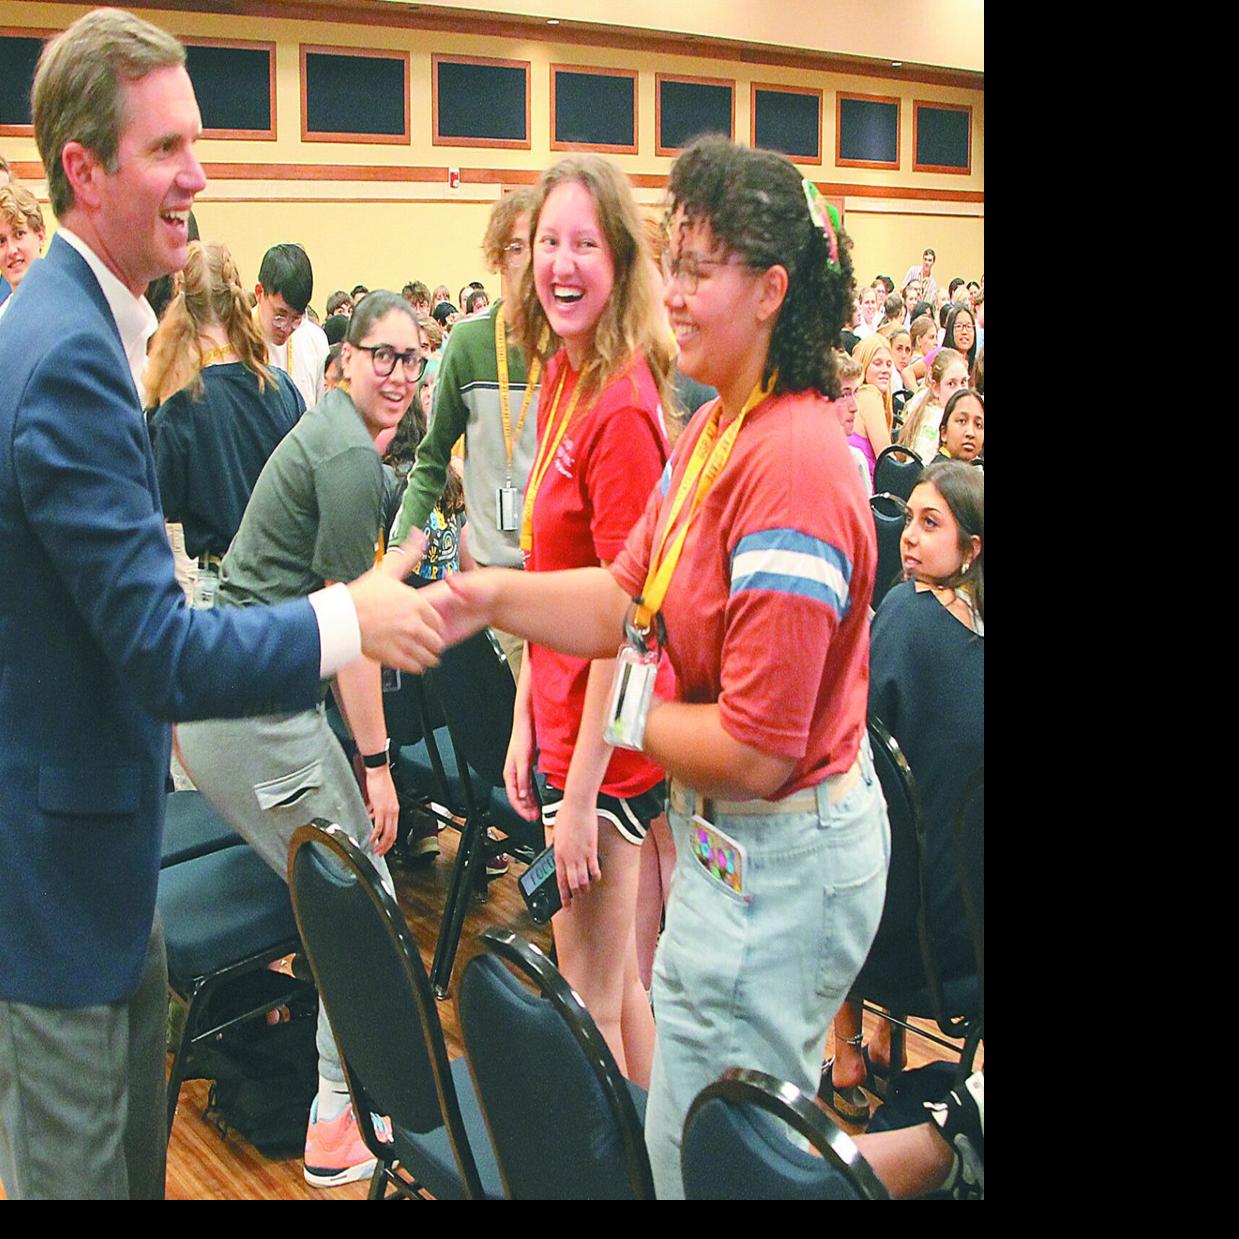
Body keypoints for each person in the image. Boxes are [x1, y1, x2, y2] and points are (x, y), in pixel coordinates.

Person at [0, 10, 445, 1202]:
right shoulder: (67, 358)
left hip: (90, 856)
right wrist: (348, 618)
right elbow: (157, 648)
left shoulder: (79, 333)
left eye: (197, 143)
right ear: (83, 172)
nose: (199, 176)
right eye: (167, 151)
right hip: (57, 886)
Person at [400, 135, 889, 1199]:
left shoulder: (796, 466)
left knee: (717, 1152)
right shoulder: (724, 427)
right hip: (732, 848)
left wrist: (621, 714)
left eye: (697, 269)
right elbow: (623, 593)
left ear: (771, 291)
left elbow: (756, 750)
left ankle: (944, 1143)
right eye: (672, 262)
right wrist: (483, 595)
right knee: (700, 1126)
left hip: (783, 851)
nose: (671, 291)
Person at [177, 291, 431, 1189]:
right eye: (384, 356)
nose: (399, 375)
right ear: (344, 361)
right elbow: (353, 627)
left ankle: (305, 1033)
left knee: (326, 880)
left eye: (413, 359)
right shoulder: (348, 458)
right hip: (250, 715)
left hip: (222, 705)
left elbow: (339, 587)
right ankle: (334, 1116)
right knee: (365, 895)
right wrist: (377, 765)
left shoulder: (329, 433)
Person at [502, 152, 673, 1083]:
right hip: (566, 730)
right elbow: (548, 575)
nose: (561, 264)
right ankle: (664, 1169)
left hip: (605, 759)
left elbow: (625, 620)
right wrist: (528, 717)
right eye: (547, 243)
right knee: (617, 987)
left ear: (619, 263)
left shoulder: (622, 406)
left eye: (584, 245)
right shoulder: (563, 371)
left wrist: (579, 798)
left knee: (593, 999)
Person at [825, 461, 983, 1117]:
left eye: (929, 522)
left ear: (972, 548)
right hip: (964, 936)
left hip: (898, 928)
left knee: (836, 823)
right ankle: (884, 1036)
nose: (909, 537)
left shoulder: (903, 614)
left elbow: (854, 747)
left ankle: (846, 1043)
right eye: (909, 519)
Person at [389, 189, 541, 677]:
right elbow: (431, 460)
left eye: (539, 243)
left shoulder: (571, 344)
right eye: (516, 247)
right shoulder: (471, 344)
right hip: (500, 574)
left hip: (560, 579)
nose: (529, 260)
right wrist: (397, 553)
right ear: (499, 257)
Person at [146, 238, 306, 607]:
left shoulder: (177, 412)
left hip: (222, 590)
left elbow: (155, 505)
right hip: (284, 588)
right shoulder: (284, 391)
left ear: (180, 307)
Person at [254, 242, 330, 411]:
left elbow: (322, 413)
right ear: (259, 293)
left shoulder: (315, 340)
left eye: (296, 318)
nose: (287, 328)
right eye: (280, 315)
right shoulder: (237, 336)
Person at [897, 347, 969, 465]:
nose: (959, 391)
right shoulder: (938, 419)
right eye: (951, 384)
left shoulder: (925, 405)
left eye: (963, 382)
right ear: (936, 388)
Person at [848, 332, 895, 482]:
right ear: (864, 364)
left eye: (888, 364)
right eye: (877, 363)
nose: (885, 370)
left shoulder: (855, 397)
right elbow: (887, 459)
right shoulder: (869, 395)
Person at [0, 182, 46, 320]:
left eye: (19, 234)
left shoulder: (68, 300)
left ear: (40, 236)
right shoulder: (3, 317)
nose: (11, 251)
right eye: (1, 241)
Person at [933, 387, 984, 463]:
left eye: (978, 425)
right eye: (962, 421)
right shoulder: (936, 473)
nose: (970, 433)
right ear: (944, 432)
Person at [941, 301, 978, 372]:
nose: (964, 332)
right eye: (959, 326)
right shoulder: (939, 356)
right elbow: (912, 370)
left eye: (969, 326)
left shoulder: (978, 364)